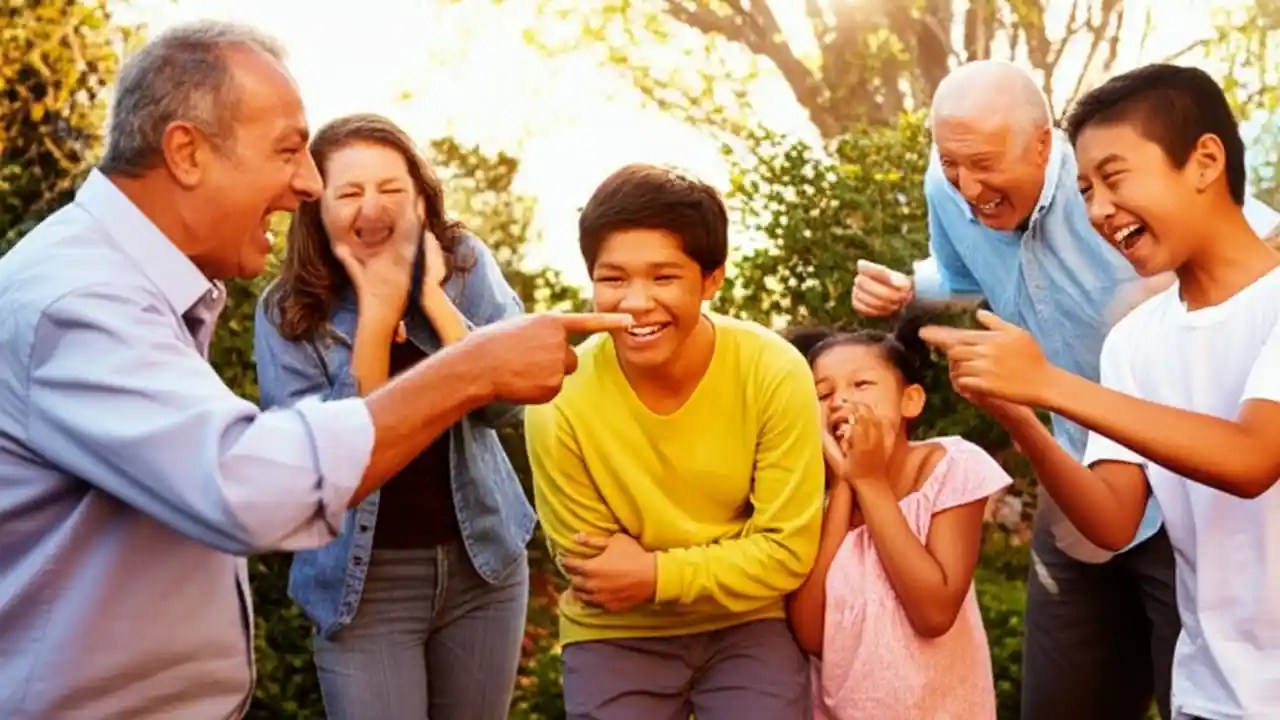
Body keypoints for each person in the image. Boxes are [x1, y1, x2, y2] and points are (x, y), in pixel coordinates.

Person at [0, 22, 628, 719]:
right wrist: (474, 366)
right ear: (185, 152)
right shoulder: (78, 298)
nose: (305, 183)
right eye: (289, 152)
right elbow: (252, 486)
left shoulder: (138, 287)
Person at [851, 58, 1232, 720]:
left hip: (1191, 495)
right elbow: (962, 271)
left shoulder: (1119, 191)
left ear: (1043, 141)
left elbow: (1247, 239)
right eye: (951, 165)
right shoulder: (952, 187)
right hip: (1079, 475)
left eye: (985, 165)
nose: (968, 188)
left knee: (1201, 702)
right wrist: (914, 286)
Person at [254, 113, 531, 720]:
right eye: (349, 193)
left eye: (391, 190)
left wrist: (432, 298)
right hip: (364, 585)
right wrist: (377, 316)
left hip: (482, 563)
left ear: (420, 199)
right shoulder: (288, 309)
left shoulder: (462, 264)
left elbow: (506, 404)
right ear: (316, 206)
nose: (371, 208)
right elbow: (327, 462)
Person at [524, 163, 825, 720]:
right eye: (613, 279)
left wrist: (657, 574)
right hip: (615, 631)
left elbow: (787, 551)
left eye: (663, 278)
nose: (636, 302)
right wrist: (714, 563)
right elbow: (595, 574)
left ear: (712, 279)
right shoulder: (557, 396)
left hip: (747, 623)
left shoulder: (773, 370)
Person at [785, 315, 1011, 719]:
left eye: (861, 385)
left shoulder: (949, 465)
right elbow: (810, 634)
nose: (839, 400)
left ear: (911, 401)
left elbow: (934, 612)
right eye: (823, 393)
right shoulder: (814, 501)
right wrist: (844, 485)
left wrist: (869, 483)